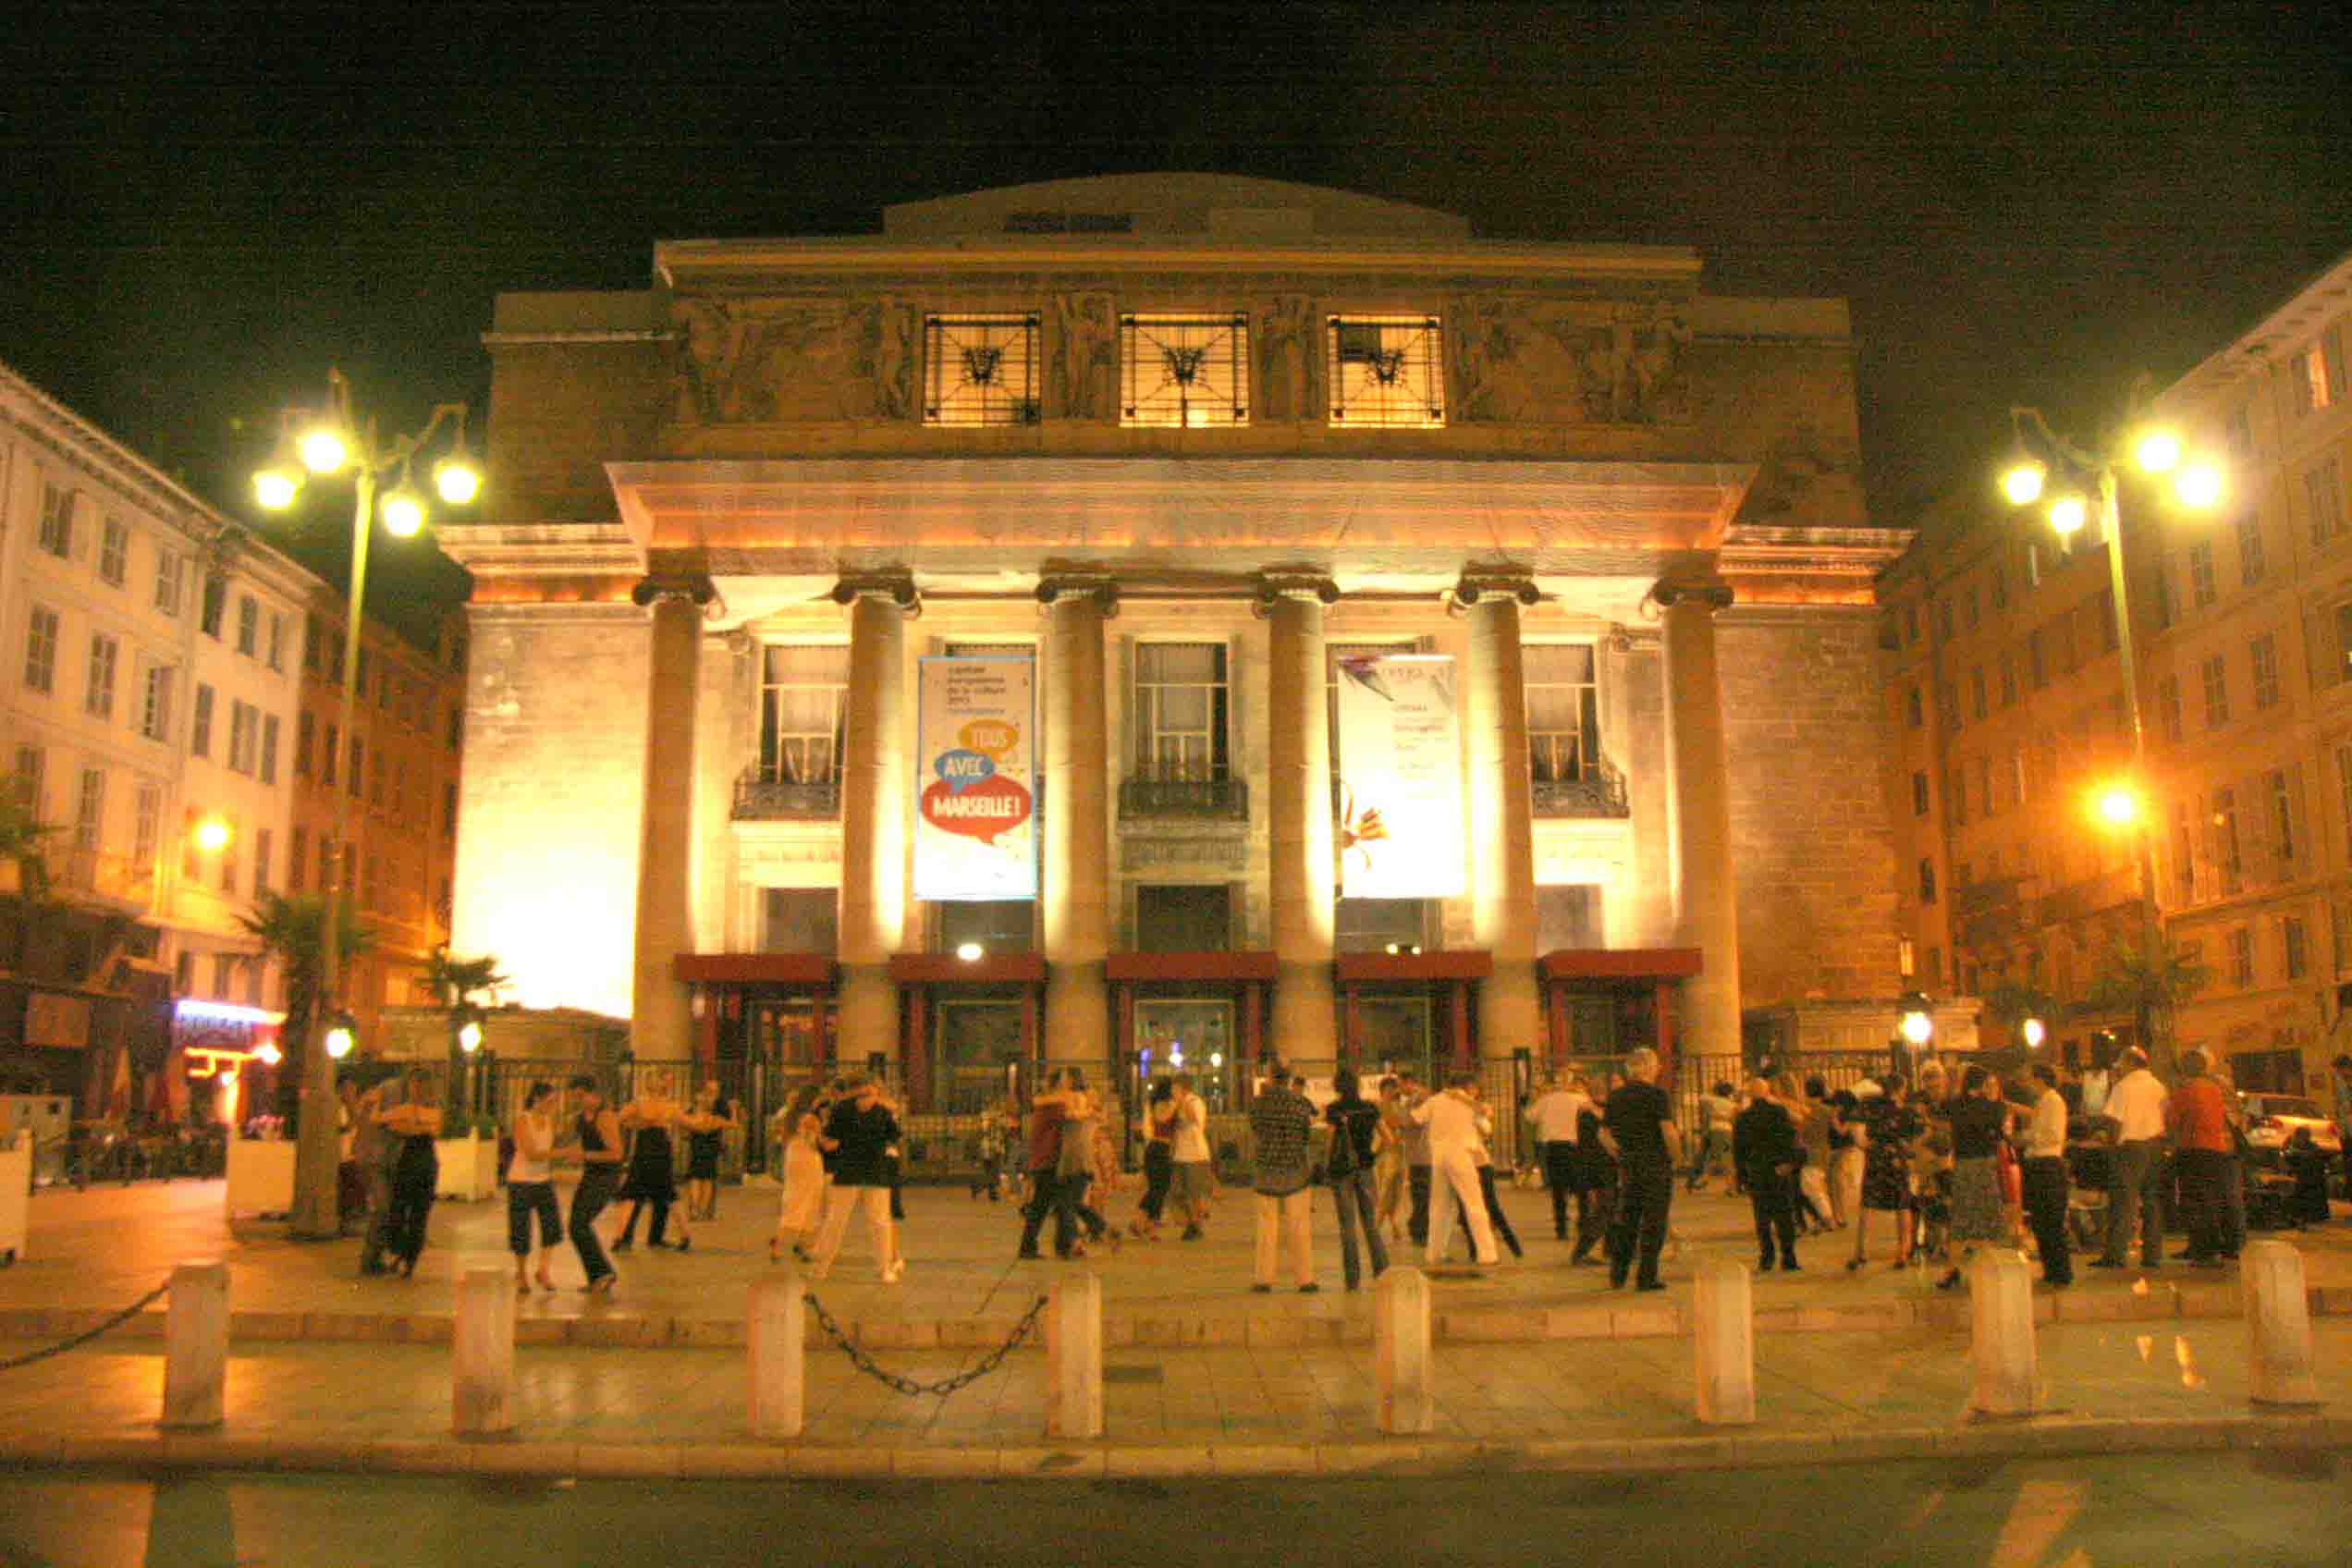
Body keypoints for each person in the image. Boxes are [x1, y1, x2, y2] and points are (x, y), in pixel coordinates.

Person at [809, 1073, 903, 1282]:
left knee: (850, 1221)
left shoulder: (854, 1110)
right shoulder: (861, 1110)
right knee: (866, 1222)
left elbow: (831, 1143)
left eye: (870, 1093)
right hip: (862, 1171)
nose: (867, 1097)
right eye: (865, 1093)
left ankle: (823, 1268)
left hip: (860, 1170)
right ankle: (882, 1269)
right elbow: (894, 1137)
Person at [1600, 1048, 1680, 1291]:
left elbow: (1603, 1134)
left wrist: (1619, 1153)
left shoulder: (1616, 1096)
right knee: (1654, 1221)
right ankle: (1647, 1276)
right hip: (1655, 1164)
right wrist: (1676, 1157)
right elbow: (1668, 1131)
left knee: (1628, 1219)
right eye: (1656, 1066)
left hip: (1629, 1164)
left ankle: (1618, 1273)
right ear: (1650, 1068)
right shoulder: (1658, 1095)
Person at [1412, 1070, 1499, 1268]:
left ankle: (1434, 1253)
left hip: (1438, 1157)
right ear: (1467, 1086)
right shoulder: (1468, 1103)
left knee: (1438, 1207)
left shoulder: (1434, 1101)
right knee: (1474, 1204)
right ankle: (1487, 1254)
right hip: (1461, 1155)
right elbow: (1487, 1125)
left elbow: (1416, 1118)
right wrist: (1465, 1100)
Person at [1937, 1065, 2015, 1290]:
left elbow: (1940, 1113)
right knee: (1990, 1215)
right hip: (1985, 1166)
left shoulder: (1953, 1105)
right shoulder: (1995, 1108)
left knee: (1961, 1217)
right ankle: (1991, 1267)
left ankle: (1951, 1270)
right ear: (1983, 1084)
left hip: (1962, 1166)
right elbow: (2002, 1135)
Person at [2095, 1047, 2169, 1271]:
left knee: (2123, 1202)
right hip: (2155, 1147)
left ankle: (2115, 1254)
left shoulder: (2123, 1087)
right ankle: (2153, 1255)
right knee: (2152, 1202)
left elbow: (2115, 1121)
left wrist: (2111, 1144)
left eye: (2121, 1064)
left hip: (2130, 1148)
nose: (2119, 1068)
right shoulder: (2159, 1087)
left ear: (2129, 1063)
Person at [1248, 1063, 1319, 1292]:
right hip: (1295, 1170)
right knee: (1299, 1226)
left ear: (1270, 1078)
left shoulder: (1258, 1104)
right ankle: (1305, 1279)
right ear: (1289, 1080)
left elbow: (1255, 1129)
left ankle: (1263, 1279)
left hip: (1266, 1171)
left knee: (1266, 1227)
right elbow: (1306, 1136)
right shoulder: (1299, 1103)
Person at [2168, 1049, 2237, 1268]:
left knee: (2195, 1203)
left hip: (2194, 1149)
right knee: (2212, 1201)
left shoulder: (2186, 1090)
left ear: (2184, 1068)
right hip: (2216, 1149)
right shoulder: (2215, 1089)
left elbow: (2171, 1119)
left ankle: (2204, 1252)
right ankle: (2212, 1248)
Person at [1322, 1067, 1388, 1291]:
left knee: (1347, 1225)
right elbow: (1388, 1138)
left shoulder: (1334, 1110)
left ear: (1337, 1086)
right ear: (1357, 1085)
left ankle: (1352, 1279)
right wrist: (1373, 1156)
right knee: (1370, 1223)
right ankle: (1382, 1271)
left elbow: (1329, 1142)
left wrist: (1326, 1164)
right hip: (1366, 1169)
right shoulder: (1370, 1108)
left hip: (1342, 1171)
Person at [613, 1071, 691, 1254]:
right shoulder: (667, 1105)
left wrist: (637, 1124)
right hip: (658, 1149)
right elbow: (690, 1123)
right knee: (667, 1194)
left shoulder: (641, 1103)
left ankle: (621, 1238)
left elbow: (619, 1119)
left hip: (647, 1149)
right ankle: (684, 1236)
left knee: (634, 1194)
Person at [378, 1067, 443, 1280]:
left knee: (418, 1215)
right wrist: (415, 1125)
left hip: (424, 1164)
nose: (415, 1089)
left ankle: (409, 1260)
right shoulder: (407, 1108)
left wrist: (412, 1125)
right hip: (408, 1162)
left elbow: (432, 1130)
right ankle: (401, 1253)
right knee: (398, 1210)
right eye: (413, 1085)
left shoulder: (431, 1109)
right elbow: (381, 1120)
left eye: (419, 1085)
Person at [560, 1075, 623, 1295]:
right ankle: (598, 1275)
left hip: (606, 1177)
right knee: (576, 1226)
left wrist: (585, 1155)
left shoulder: (605, 1117)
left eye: (580, 1096)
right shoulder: (580, 1119)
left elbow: (616, 1154)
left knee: (580, 1224)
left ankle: (603, 1273)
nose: (577, 1101)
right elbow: (578, 1144)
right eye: (574, 1097)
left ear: (593, 1094)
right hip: (591, 1175)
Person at [1733, 1074, 1802, 1272]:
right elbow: (1790, 1137)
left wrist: (1741, 1175)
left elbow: (1739, 1149)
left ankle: (1767, 1257)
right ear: (1767, 1092)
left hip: (1757, 1170)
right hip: (1779, 1168)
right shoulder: (1778, 1111)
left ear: (1750, 1094)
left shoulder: (1743, 1118)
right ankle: (1788, 1256)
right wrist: (1790, 1162)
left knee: (1762, 1216)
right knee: (1784, 1215)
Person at [1850, 1075, 1917, 1270]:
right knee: (1902, 1205)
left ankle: (1860, 1251)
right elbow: (1912, 1137)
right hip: (1897, 1158)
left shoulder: (1870, 1105)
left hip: (1875, 1157)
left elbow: (1854, 1125)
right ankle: (1902, 1252)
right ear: (1900, 1088)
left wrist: (1863, 1144)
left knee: (1867, 1203)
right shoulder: (1905, 1110)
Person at [1016, 1071, 1080, 1260]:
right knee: (1062, 1203)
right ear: (1058, 1086)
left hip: (1043, 1160)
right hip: (1049, 1160)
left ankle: (1030, 1246)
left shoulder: (1045, 1105)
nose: (1068, 1088)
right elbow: (1073, 1116)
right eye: (1065, 1084)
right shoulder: (1053, 1106)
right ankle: (1064, 1246)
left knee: (1043, 1205)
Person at [506, 1080, 562, 1293]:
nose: (552, 1106)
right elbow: (531, 1152)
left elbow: (548, 1149)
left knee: (552, 1226)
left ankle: (543, 1269)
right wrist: (562, 1153)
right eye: (549, 1101)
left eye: (554, 1102)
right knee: (521, 1228)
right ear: (537, 1099)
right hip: (520, 1180)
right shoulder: (523, 1119)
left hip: (543, 1179)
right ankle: (521, 1272)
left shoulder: (549, 1121)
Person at [2020, 1063, 2073, 1288]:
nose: (2029, 1084)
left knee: (2052, 1220)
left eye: (2031, 1079)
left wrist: (2028, 1138)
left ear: (2040, 1079)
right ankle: (2050, 1269)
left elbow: (2053, 1135)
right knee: (2040, 1221)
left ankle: (2060, 1271)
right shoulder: (2042, 1102)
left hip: (2048, 1163)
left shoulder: (2053, 1101)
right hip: (2037, 1163)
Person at [1464, 1081, 1524, 1260]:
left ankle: (1513, 1244)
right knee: (1465, 1209)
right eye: (1467, 1089)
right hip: (1463, 1162)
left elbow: (1486, 1128)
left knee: (1491, 1205)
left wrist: (1469, 1108)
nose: (1469, 1092)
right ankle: (1473, 1249)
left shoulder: (1482, 1108)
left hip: (1481, 1162)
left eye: (1472, 1089)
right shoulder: (1457, 1110)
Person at [1526, 1073, 1589, 1242]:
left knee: (1558, 1189)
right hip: (1575, 1147)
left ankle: (1561, 1228)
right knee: (1581, 1188)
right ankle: (1583, 1223)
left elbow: (1530, 1117)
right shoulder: (1579, 1099)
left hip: (1554, 1148)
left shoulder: (1545, 1100)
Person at [354, 1072, 405, 1276]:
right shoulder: (381, 1099)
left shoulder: (375, 1101)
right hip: (376, 1161)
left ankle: (375, 1256)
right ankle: (370, 1258)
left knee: (385, 1208)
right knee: (383, 1207)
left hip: (378, 1160)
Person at [1569, 1072, 1616, 1266]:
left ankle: (1610, 1249)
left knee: (1611, 1209)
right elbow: (1595, 1141)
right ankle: (1581, 1252)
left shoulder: (1592, 1111)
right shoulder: (1590, 1113)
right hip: (1600, 1166)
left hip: (1598, 1166)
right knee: (1605, 1210)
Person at [770, 1111, 827, 1263]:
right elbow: (819, 1146)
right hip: (806, 1179)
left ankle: (798, 1245)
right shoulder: (806, 1137)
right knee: (800, 1213)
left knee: (801, 1212)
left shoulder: (793, 1141)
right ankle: (780, 1246)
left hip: (803, 1179)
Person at [1130, 1076, 1178, 1240]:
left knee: (1158, 1189)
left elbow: (1147, 1129)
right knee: (1158, 1189)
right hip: (1162, 1148)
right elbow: (1164, 1120)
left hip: (1152, 1148)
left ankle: (1148, 1226)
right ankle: (1139, 1221)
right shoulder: (1169, 1105)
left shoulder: (1150, 1104)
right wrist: (1177, 1104)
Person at [1167, 1074, 1214, 1242]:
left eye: (1174, 1088)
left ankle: (1195, 1226)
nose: (1172, 1091)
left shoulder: (1195, 1102)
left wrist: (1183, 1104)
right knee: (1176, 1192)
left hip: (1196, 1155)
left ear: (1183, 1088)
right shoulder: (1173, 1104)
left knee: (1194, 1193)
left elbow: (1196, 1121)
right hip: (1179, 1154)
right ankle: (1193, 1221)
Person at [682, 1080, 736, 1223]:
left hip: (698, 1146)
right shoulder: (716, 1115)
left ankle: (695, 1209)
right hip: (711, 1146)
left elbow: (683, 1124)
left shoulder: (693, 1114)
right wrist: (733, 1109)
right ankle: (703, 1211)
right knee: (708, 1179)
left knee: (696, 1177)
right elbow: (732, 1124)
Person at [1398, 1070, 1435, 1248]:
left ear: (1409, 1082)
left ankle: (1420, 1231)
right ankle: (1419, 1229)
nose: (1399, 1089)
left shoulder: (1420, 1098)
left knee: (1422, 1195)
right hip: (1417, 1155)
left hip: (1423, 1155)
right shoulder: (1413, 1099)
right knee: (1419, 1194)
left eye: (1400, 1084)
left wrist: (1400, 1117)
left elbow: (1411, 1121)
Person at [1795, 1077, 1838, 1233]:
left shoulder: (1804, 1109)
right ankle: (1825, 1219)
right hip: (1824, 1149)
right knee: (1816, 1186)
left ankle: (1828, 1219)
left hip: (1809, 1151)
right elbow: (1837, 1130)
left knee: (1811, 1187)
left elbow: (1800, 1130)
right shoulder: (1828, 1110)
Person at [1372, 1077, 1409, 1243]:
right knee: (1385, 1192)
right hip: (1385, 1154)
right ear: (1382, 1091)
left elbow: (1402, 1124)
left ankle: (1393, 1225)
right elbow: (1393, 1124)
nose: (1393, 1092)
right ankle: (1376, 1227)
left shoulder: (1399, 1106)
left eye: (1394, 1088)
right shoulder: (1378, 1106)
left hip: (1400, 1152)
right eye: (1389, 1089)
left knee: (1397, 1193)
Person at [1688, 1081, 1735, 1193]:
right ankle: (1730, 1186)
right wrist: (1724, 1117)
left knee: (1719, 1157)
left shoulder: (1712, 1100)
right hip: (1726, 1132)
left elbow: (1702, 1097)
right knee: (1723, 1157)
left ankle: (1709, 1180)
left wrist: (1714, 1112)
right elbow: (1733, 1119)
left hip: (1714, 1131)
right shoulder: (1731, 1104)